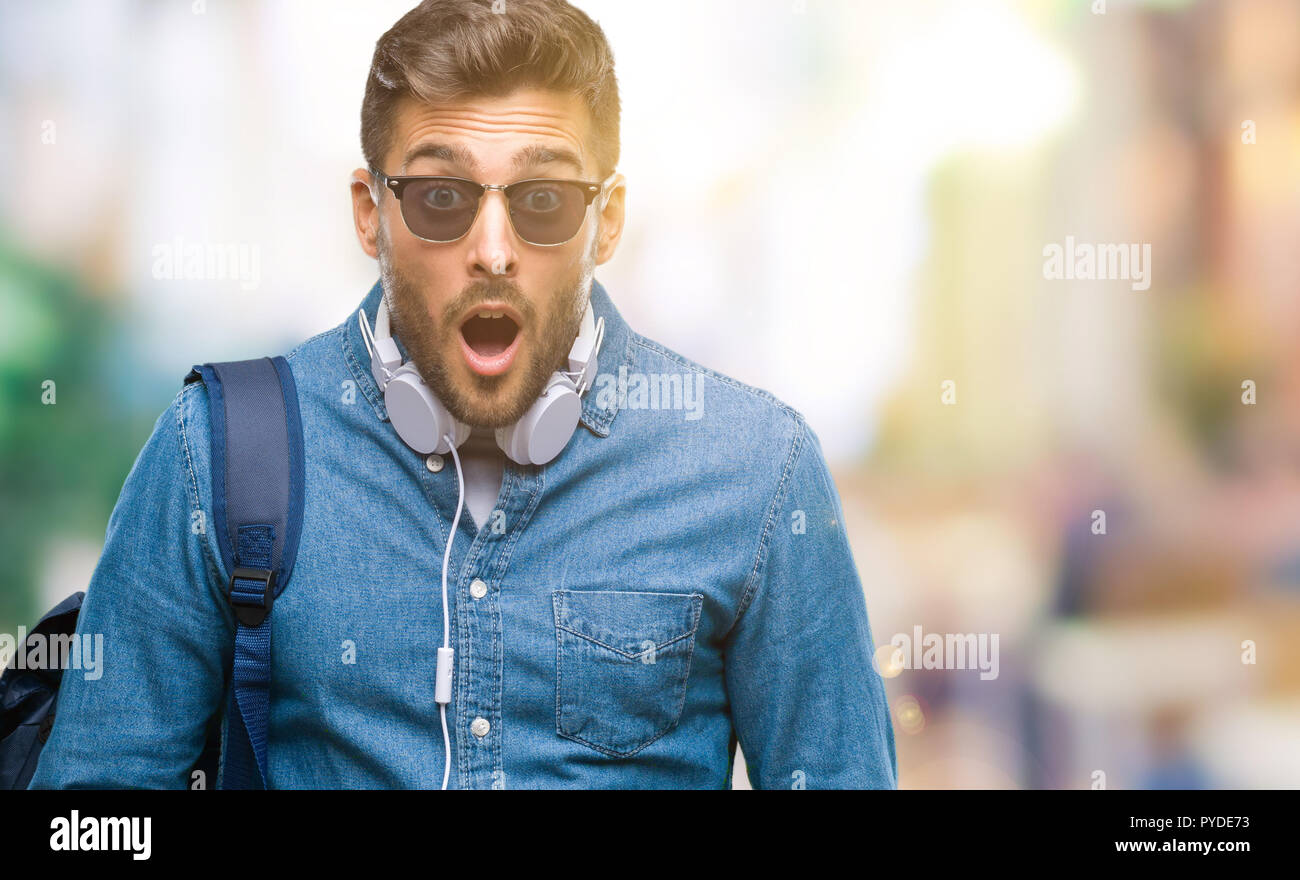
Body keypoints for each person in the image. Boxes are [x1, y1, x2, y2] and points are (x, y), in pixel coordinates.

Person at [29, 0, 896, 789]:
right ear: (370, 213)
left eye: (544, 200)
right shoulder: (217, 448)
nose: (492, 250)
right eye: (441, 198)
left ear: (609, 219)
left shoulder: (755, 470)